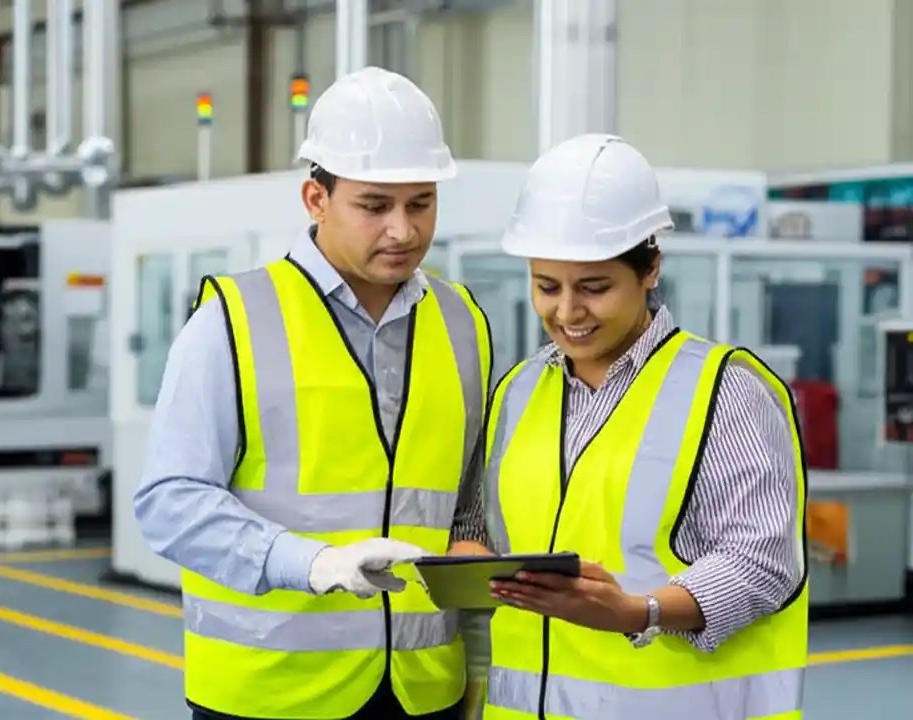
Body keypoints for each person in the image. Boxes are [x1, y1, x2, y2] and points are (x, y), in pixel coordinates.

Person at [133, 66, 495, 720]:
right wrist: (313, 562)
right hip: (269, 695)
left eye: (420, 204)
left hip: (423, 691)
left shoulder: (463, 322)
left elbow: (464, 499)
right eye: (374, 206)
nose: (402, 230)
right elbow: (170, 501)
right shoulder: (232, 320)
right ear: (315, 199)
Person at [468, 133, 809, 719]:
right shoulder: (517, 392)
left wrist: (639, 612)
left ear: (651, 268)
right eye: (546, 286)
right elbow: (488, 534)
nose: (567, 312)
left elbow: (762, 561)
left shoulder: (724, 391)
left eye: (594, 287)